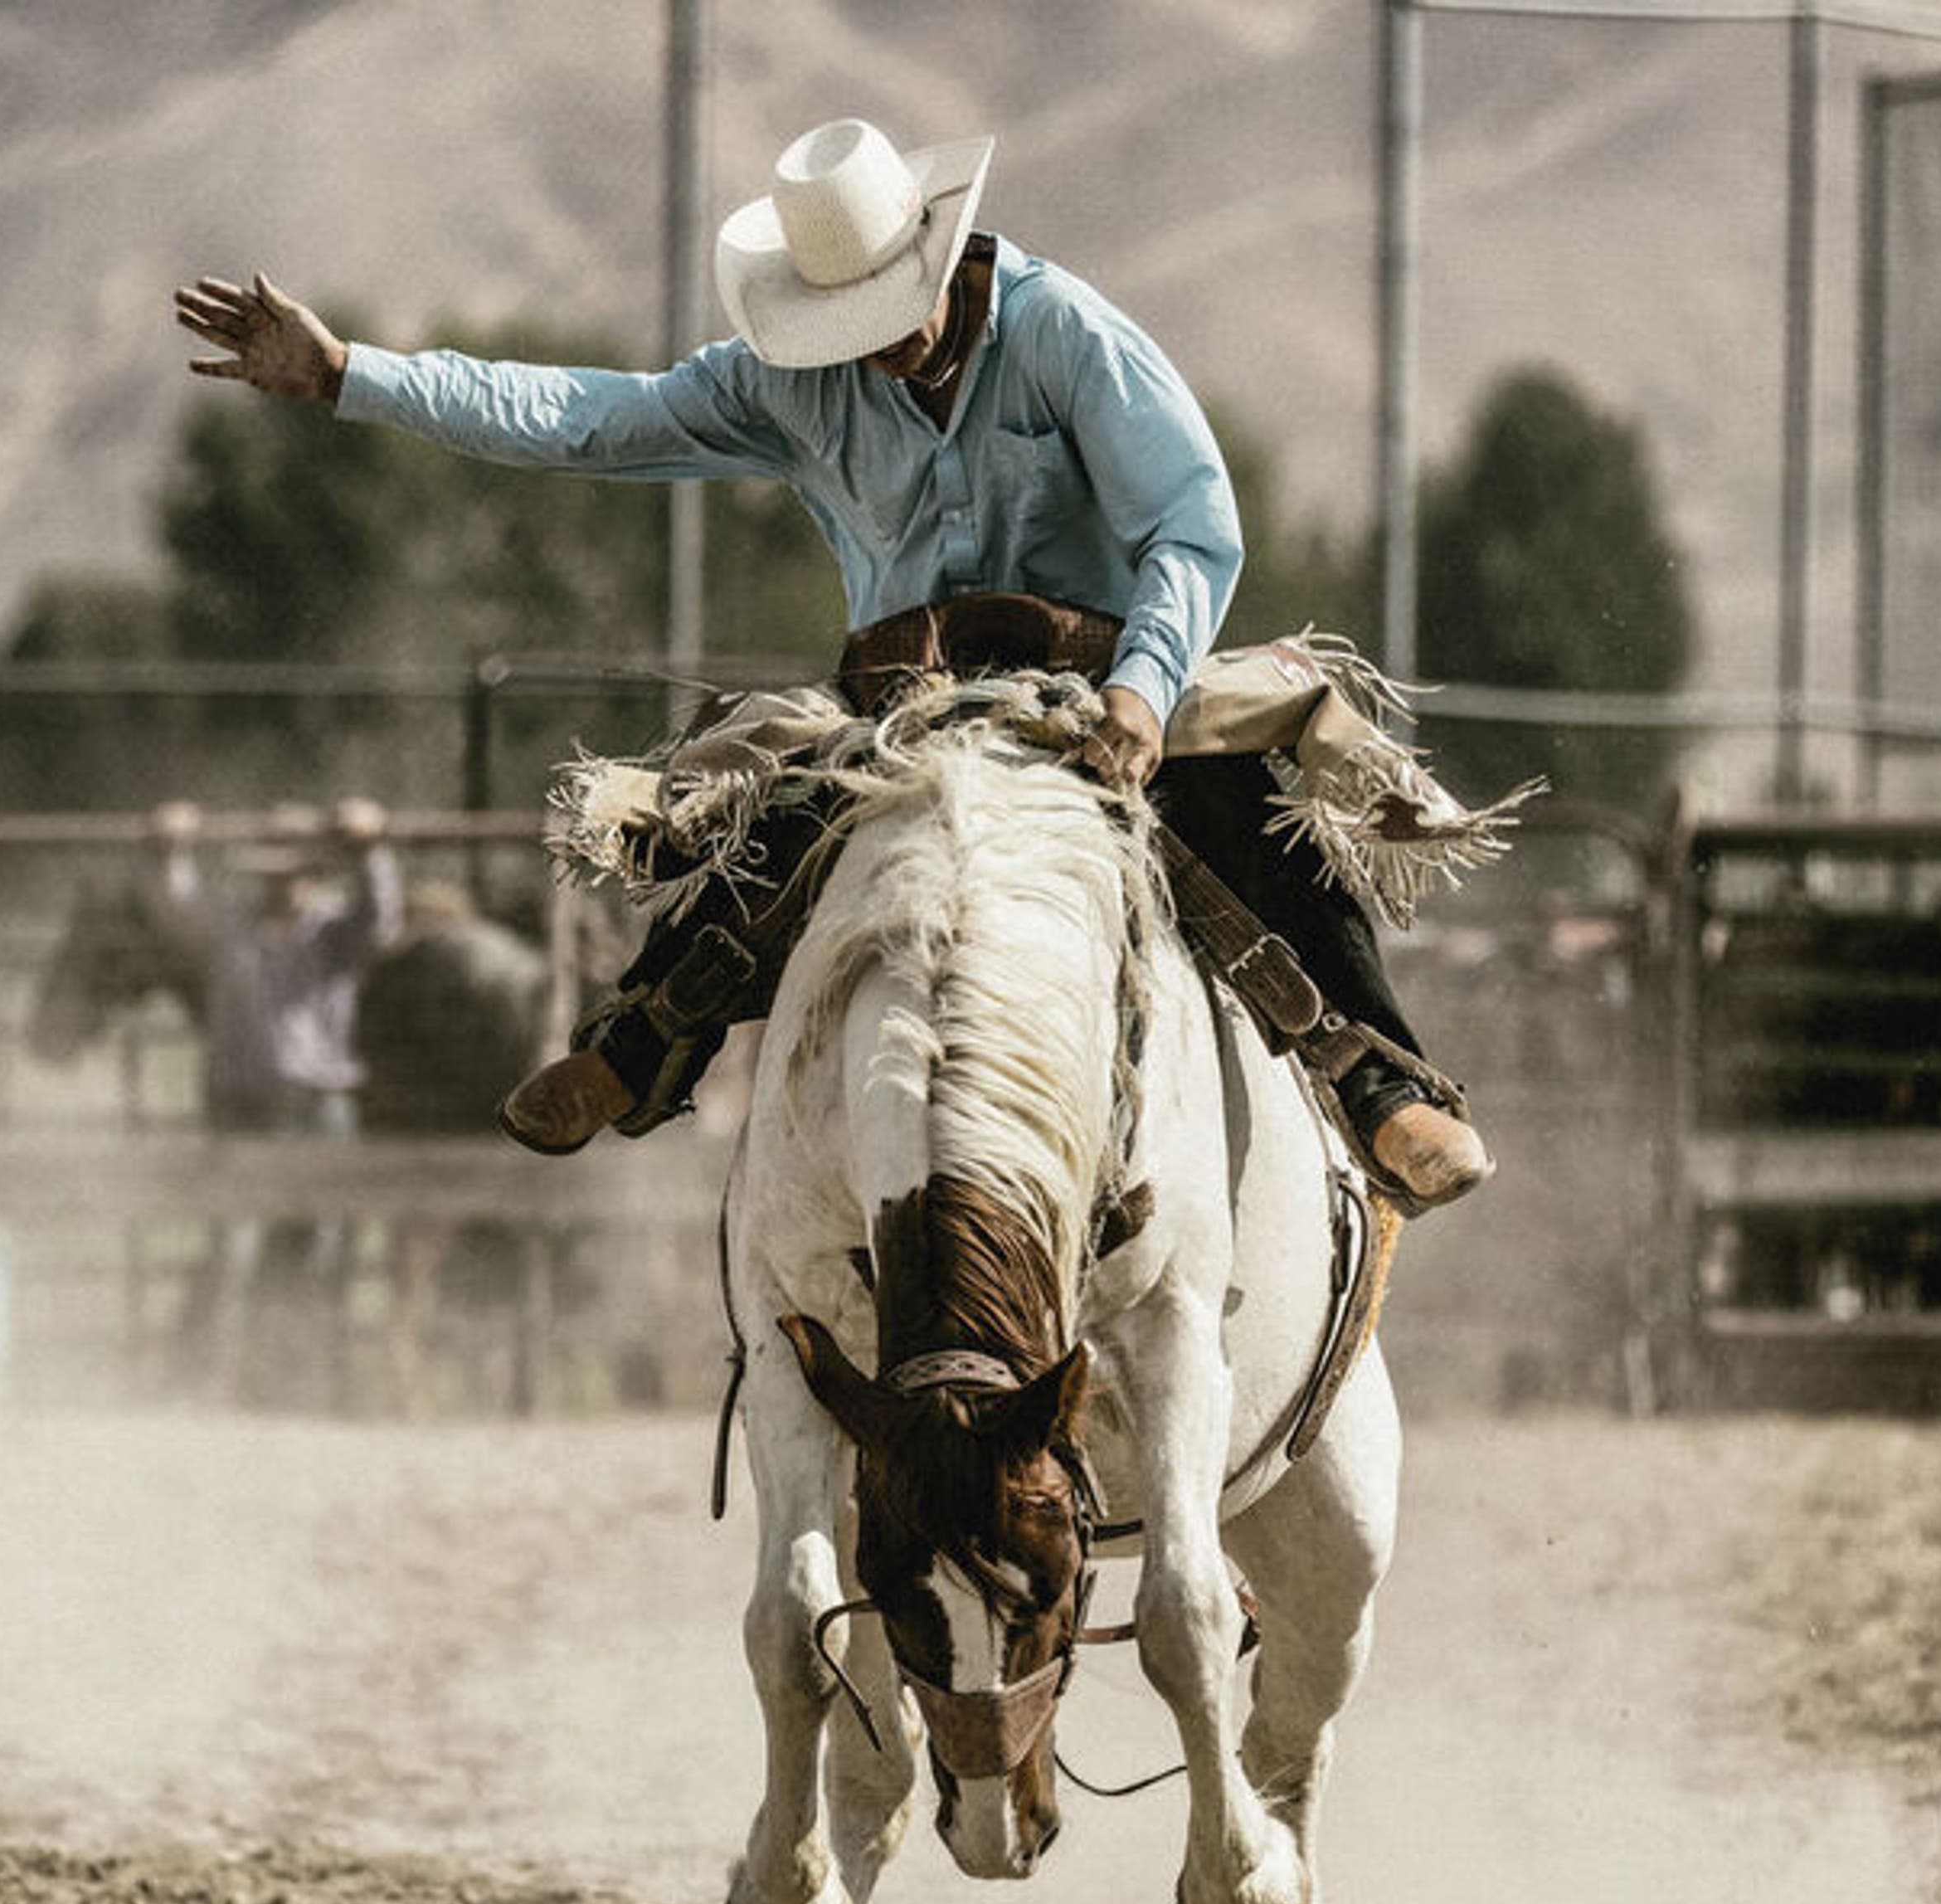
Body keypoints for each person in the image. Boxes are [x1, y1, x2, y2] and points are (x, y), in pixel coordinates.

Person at [175, 116, 1491, 1210]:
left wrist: (1147, 692)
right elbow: (596, 420)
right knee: (765, 821)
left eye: (897, 309)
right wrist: (355, 375)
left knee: (1244, 813)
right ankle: (637, 1040)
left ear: (937, 254)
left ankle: (1382, 1079)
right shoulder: (785, 383)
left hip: (1098, 685)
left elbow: (1191, 522)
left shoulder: (1064, 333)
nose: (885, 340)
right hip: (909, 697)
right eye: (853, 321)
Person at [137, 799, 405, 1404]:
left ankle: (302, 1383)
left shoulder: (336, 929)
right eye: (275, 871)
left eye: (294, 870)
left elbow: (381, 913)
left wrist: (371, 849)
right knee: (234, 1246)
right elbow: (170, 908)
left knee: (321, 1250)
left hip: (317, 1102)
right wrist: (170, 850)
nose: (284, 882)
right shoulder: (228, 924)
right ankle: (203, 1384)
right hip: (249, 1104)